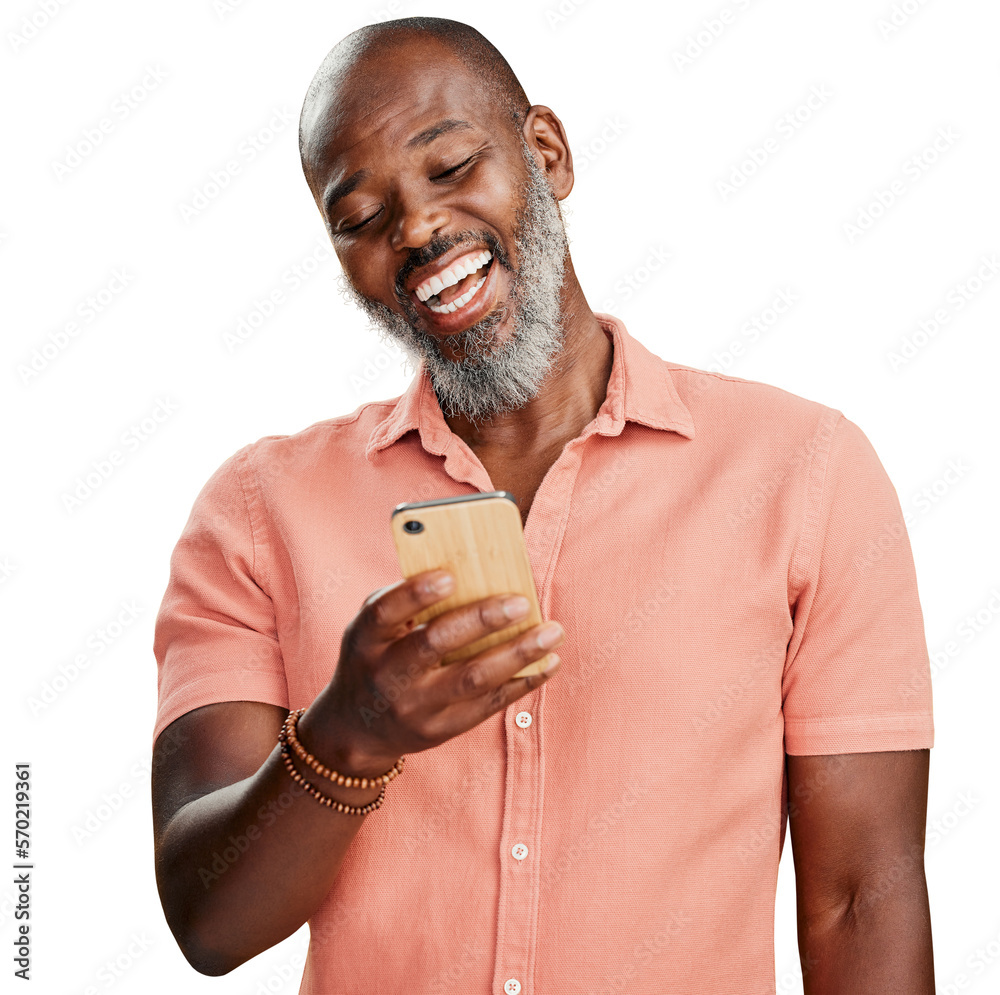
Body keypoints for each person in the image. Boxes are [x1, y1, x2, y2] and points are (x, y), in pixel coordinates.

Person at [151, 16, 935, 994]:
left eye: (448, 166)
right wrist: (347, 733)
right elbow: (206, 922)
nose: (420, 228)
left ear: (547, 155)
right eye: (359, 216)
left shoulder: (804, 472)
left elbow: (861, 894)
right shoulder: (258, 508)